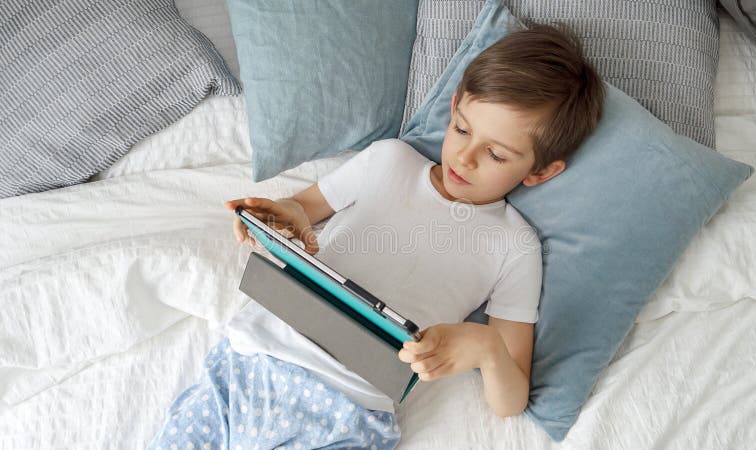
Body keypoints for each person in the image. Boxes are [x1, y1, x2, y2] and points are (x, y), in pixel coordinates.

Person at [148, 24, 604, 450]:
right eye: (462, 129)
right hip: (247, 361)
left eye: (496, 155)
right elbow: (304, 209)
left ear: (541, 171)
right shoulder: (389, 162)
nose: (464, 158)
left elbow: (509, 401)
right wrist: (282, 216)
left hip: (347, 410)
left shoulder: (515, 248)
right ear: (454, 106)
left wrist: (485, 348)